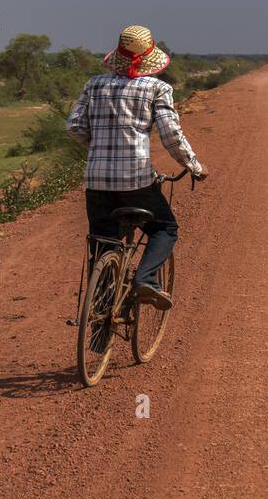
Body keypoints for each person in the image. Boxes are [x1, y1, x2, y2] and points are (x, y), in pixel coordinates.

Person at [66, 25, 206, 310]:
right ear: (149, 57)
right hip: (136, 182)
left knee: (104, 244)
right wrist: (193, 165)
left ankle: (98, 331)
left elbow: (75, 127)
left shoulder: (94, 85)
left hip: (96, 182)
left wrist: (98, 150)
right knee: (165, 228)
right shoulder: (157, 88)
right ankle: (145, 280)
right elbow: (170, 135)